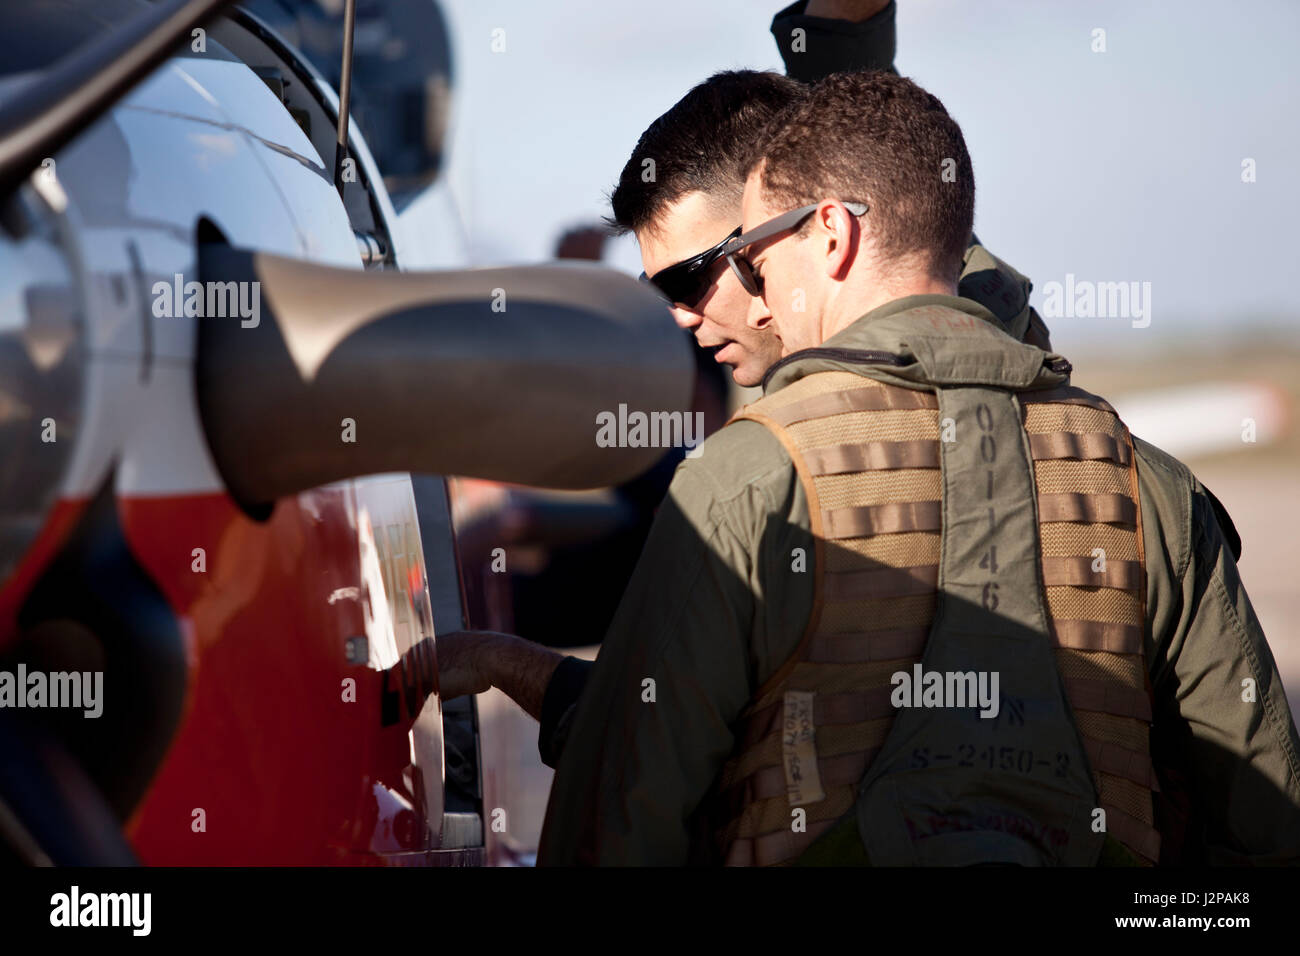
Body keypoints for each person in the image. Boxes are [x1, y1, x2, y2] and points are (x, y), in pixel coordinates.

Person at [533, 69, 1300, 866]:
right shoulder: (1147, 487)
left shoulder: (749, 481)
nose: (713, 304)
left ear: (829, 234)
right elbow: (1265, 821)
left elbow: (618, 820)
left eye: (739, 259)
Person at [437, 0, 1054, 771]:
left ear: (797, 231)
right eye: (659, 290)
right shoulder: (754, 444)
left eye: (694, 279)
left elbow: (649, 758)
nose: (682, 318)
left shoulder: (758, 478)